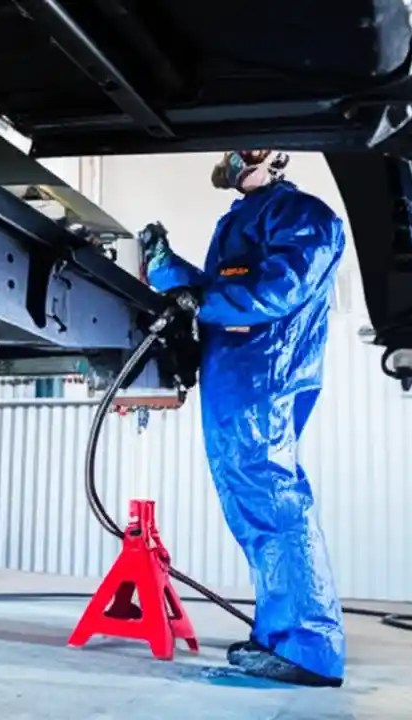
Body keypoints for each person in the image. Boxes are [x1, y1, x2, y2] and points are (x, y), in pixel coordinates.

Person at [139, 150, 347, 687]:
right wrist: (165, 266)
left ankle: (308, 646)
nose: (233, 159)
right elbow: (213, 290)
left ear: (275, 155)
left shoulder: (302, 214)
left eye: (246, 148)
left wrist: (199, 301)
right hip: (236, 376)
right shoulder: (239, 220)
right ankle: (280, 636)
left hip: (264, 372)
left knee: (272, 501)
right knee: (257, 506)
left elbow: (276, 290)